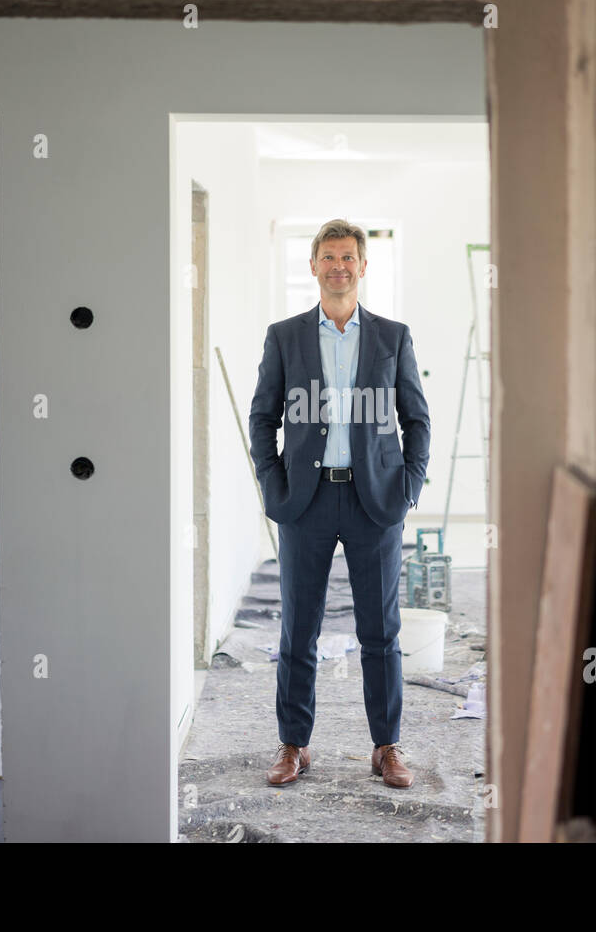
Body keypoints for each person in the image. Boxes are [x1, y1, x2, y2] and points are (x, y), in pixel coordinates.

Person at [248, 218, 431, 789]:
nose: (338, 266)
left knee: (381, 632)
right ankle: (294, 745)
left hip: (374, 501)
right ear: (313, 266)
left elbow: (416, 419)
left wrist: (409, 488)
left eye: (348, 256)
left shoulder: (392, 336)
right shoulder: (285, 336)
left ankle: (386, 747)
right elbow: (263, 417)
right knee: (298, 630)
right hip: (305, 501)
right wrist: (273, 488)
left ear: (363, 266)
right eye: (328, 256)